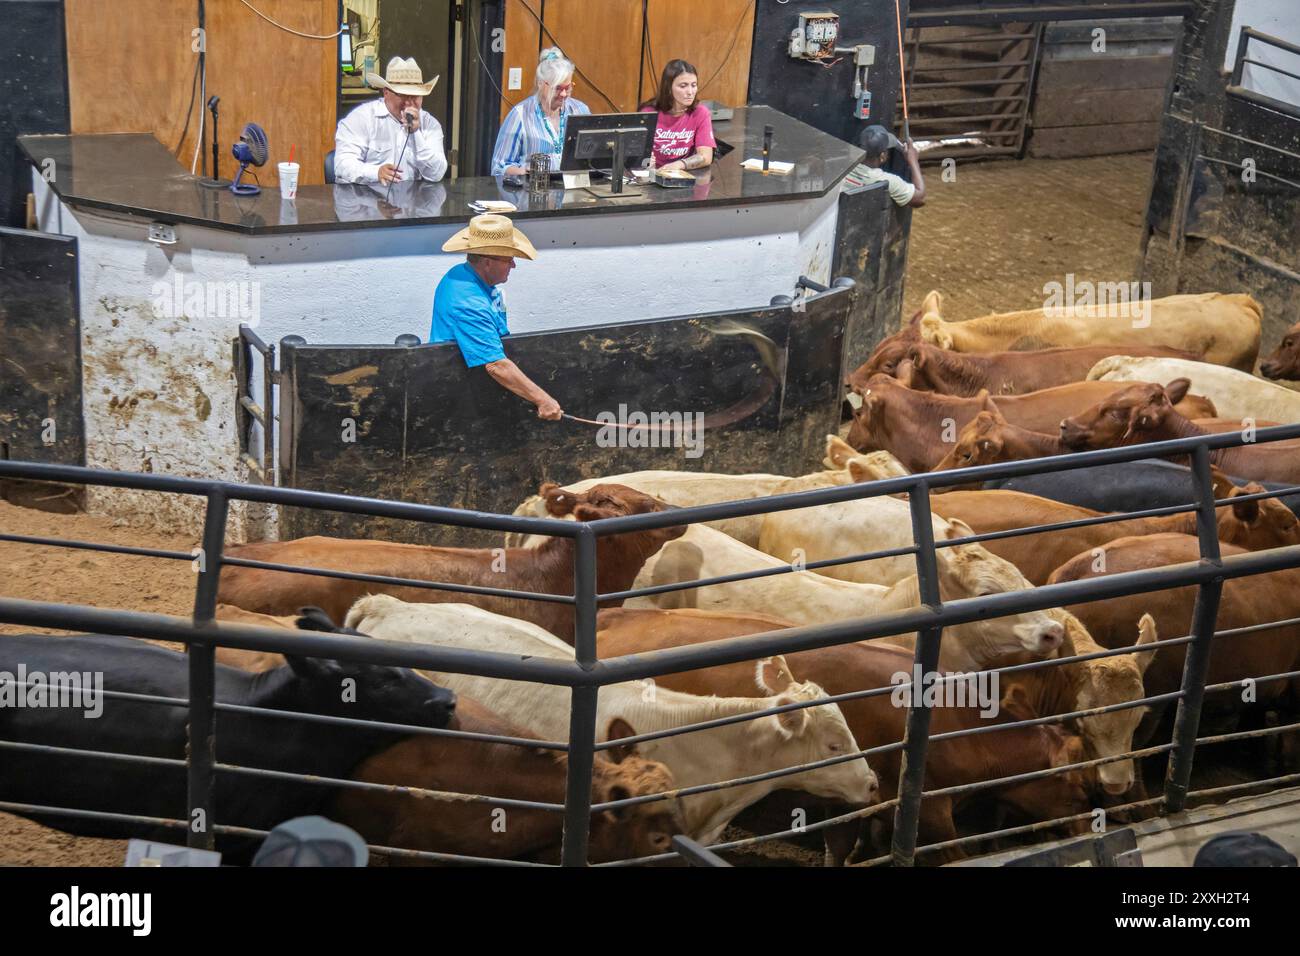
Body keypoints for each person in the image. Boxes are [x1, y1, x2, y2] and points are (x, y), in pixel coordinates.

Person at [430, 214, 562, 421]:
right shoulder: (467, 303)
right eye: (508, 259)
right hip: (458, 384)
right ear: (487, 262)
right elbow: (496, 366)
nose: (513, 265)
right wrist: (543, 400)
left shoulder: (463, 272)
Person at [334, 56, 447, 185]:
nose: (409, 103)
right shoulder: (361, 118)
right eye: (403, 95)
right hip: (368, 200)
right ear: (386, 92)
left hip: (413, 202)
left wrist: (416, 134)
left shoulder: (430, 124)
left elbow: (436, 174)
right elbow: (342, 165)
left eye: (415, 96)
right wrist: (376, 172)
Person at [492, 47, 591, 176]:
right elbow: (498, 168)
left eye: (568, 87)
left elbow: (592, 157)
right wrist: (524, 172)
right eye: (557, 88)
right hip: (534, 191)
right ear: (540, 83)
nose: (564, 94)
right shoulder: (520, 115)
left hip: (575, 191)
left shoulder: (580, 110)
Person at [639, 59, 716, 171]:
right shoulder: (648, 113)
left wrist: (679, 165)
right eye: (683, 86)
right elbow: (635, 154)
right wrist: (644, 162)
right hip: (652, 174)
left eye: (693, 85)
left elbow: (706, 157)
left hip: (682, 174)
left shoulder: (701, 113)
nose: (690, 92)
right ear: (669, 88)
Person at [843, 124, 926, 208]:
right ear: (882, 156)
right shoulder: (888, 181)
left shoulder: (842, 168)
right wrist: (913, 160)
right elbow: (919, 197)